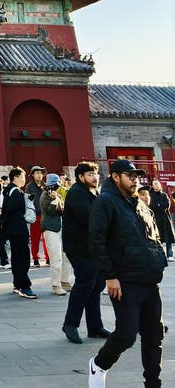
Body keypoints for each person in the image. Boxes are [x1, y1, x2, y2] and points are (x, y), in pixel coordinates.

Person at [87, 159, 167, 387]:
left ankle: (153, 382)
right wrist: (110, 275)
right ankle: (99, 364)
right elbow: (96, 241)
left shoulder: (140, 204)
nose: (135, 180)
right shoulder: (106, 202)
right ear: (115, 177)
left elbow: (154, 236)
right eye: (130, 176)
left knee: (154, 335)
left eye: (137, 176)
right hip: (124, 280)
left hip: (150, 280)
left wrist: (158, 261)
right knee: (126, 335)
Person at [61, 161, 110, 345]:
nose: (95, 177)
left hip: (93, 248)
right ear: (81, 177)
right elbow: (92, 219)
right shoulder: (77, 193)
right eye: (90, 174)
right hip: (80, 248)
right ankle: (70, 324)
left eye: (96, 174)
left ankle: (95, 326)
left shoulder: (92, 192)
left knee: (96, 285)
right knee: (84, 284)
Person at [1, 166, 36, 298]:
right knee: (23, 258)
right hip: (18, 229)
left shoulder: (7, 190)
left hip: (11, 229)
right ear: (15, 178)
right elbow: (12, 210)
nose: (23, 180)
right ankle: (25, 286)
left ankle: (17, 284)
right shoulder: (16, 192)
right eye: (21, 177)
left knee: (16, 257)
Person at [40, 173, 71, 295]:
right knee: (56, 258)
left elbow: (62, 211)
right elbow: (49, 211)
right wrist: (53, 199)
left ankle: (64, 280)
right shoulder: (45, 196)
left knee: (65, 255)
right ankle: (56, 284)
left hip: (61, 227)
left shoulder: (57, 194)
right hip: (50, 228)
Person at [24, 164, 49, 267]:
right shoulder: (29, 186)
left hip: (46, 215)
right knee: (35, 238)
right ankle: (35, 258)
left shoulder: (45, 185)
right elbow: (27, 201)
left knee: (47, 238)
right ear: (33, 175)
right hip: (35, 215)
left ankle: (48, 258)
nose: (40, 175)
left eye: (41, 173)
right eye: (37, 173)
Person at [149, 179, 174, 261]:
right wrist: (159, 206)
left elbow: (167, 204)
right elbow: (151, 206)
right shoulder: (150, 195)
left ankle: (170, 254)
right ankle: (159, 254)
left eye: (157, 184)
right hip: (155, 218)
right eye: (154, 184)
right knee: (157, 237)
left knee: (168, 237)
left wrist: (159, 206)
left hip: (165, 218)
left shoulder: (164, 195)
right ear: (152, 186)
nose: (156, 185)